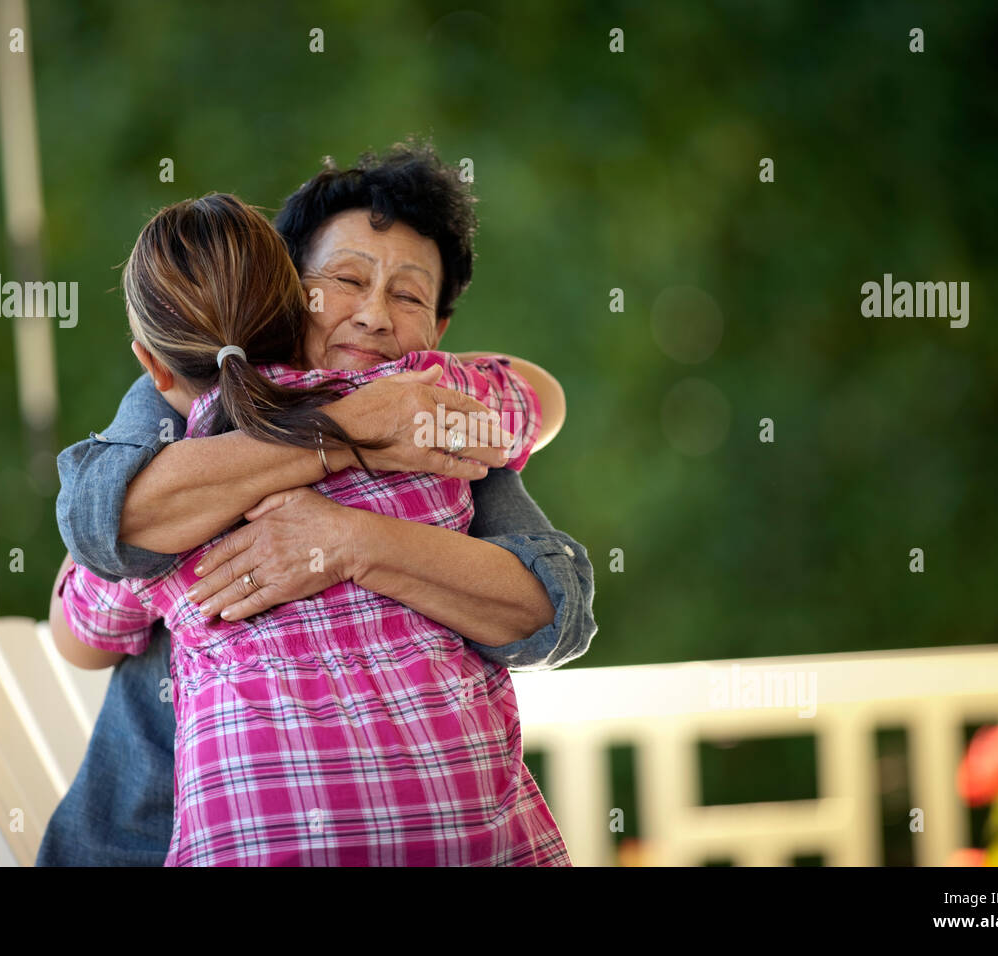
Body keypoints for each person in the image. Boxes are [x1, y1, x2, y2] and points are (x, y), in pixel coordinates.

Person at [38, 142, 596, 865]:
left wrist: (348, 539)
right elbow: (105, 531)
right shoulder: (176, 417)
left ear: (440, 336)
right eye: (344, 279)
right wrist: (353, 430)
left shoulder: (438, 417)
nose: (371, 316)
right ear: (283, 295)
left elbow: (554, 606)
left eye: (409, 295)